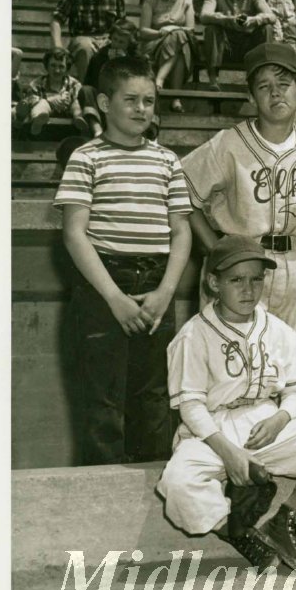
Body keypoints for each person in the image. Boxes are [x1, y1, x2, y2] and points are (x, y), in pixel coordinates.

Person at [157, 235, 296, 569]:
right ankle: (239, 533)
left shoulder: (279, 330)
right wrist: (230, 454)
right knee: (177, 483)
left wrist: (282, 417)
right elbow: (190, 406)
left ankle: (286, 521)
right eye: (236, 280)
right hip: (211, 431)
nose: (248, 289)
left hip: (267, 423)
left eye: (256, 279)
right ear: (213, 283)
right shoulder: (194, 335)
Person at [54, 54, 192, 465]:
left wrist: (166, 291)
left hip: (155, 285)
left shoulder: (167, 160)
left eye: (148, 101)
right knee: (102, 402)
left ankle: (148, 502)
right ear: (102, 102)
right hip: (103, 286)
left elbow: (181, 230)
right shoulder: (86, 157)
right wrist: (113, 297)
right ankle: (100, 506)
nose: (141, 110)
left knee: (153, 399)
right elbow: (74, 233)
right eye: (130, 100)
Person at [182, 42, 296, 362]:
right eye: (264, 86)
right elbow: (181, 193)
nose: (275, 94)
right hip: (239, 260)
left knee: (294, 360)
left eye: (284, 84)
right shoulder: (228, 143)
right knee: (226, 361)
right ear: (250, 97)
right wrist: (213, 246)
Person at [198, 0, 277, 90]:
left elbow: (271, 16)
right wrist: (226, 19)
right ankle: (213, 80)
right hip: (225, 46)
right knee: (211, 28)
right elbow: (204, 16)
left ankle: (262, 77)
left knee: (267, 28)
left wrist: (252, 20)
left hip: (248, 45)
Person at [50, 0, 127, 82]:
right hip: (82, 38)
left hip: (108, 39)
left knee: (118, 51)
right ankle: (85, 91)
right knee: (85, 47)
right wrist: (58, 46)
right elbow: (56, 20)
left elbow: (122, 24)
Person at [137, 0, 194, 112]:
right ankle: (175, 97)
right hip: (153, 42)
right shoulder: (150, 0)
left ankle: (160, 81)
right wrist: (161, 32)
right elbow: (143, 31)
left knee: (178, 37)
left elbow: (190, 29)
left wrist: (173, 29)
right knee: (178, 43)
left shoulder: (187, 1)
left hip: (180, 42)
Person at [74, 21, 144, 138]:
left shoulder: (138, 58)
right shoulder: (100, 56)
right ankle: (97, 131)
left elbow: (142, 83)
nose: (116, 44)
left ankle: (151, 135)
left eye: (121, 42)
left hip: (129, 101)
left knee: (151, 93)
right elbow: (91, 82)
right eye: (115, 39)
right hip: (104, 100)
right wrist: (107, 65)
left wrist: (124, 64)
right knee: (85, 90)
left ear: (130, 44)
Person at [15, 47, 85, 136]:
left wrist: (68, 100)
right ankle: (38, 120)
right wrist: (49, 100)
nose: (57, 70)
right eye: (53, 65)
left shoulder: (74, 84)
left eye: (61, 66)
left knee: (76, 104)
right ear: (47, 66)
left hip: (67, 111)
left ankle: (78, 118)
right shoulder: (38, 83)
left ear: (67, 68)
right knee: (42, 103)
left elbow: (79, 96)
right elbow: (30, 98)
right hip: (46, 111)